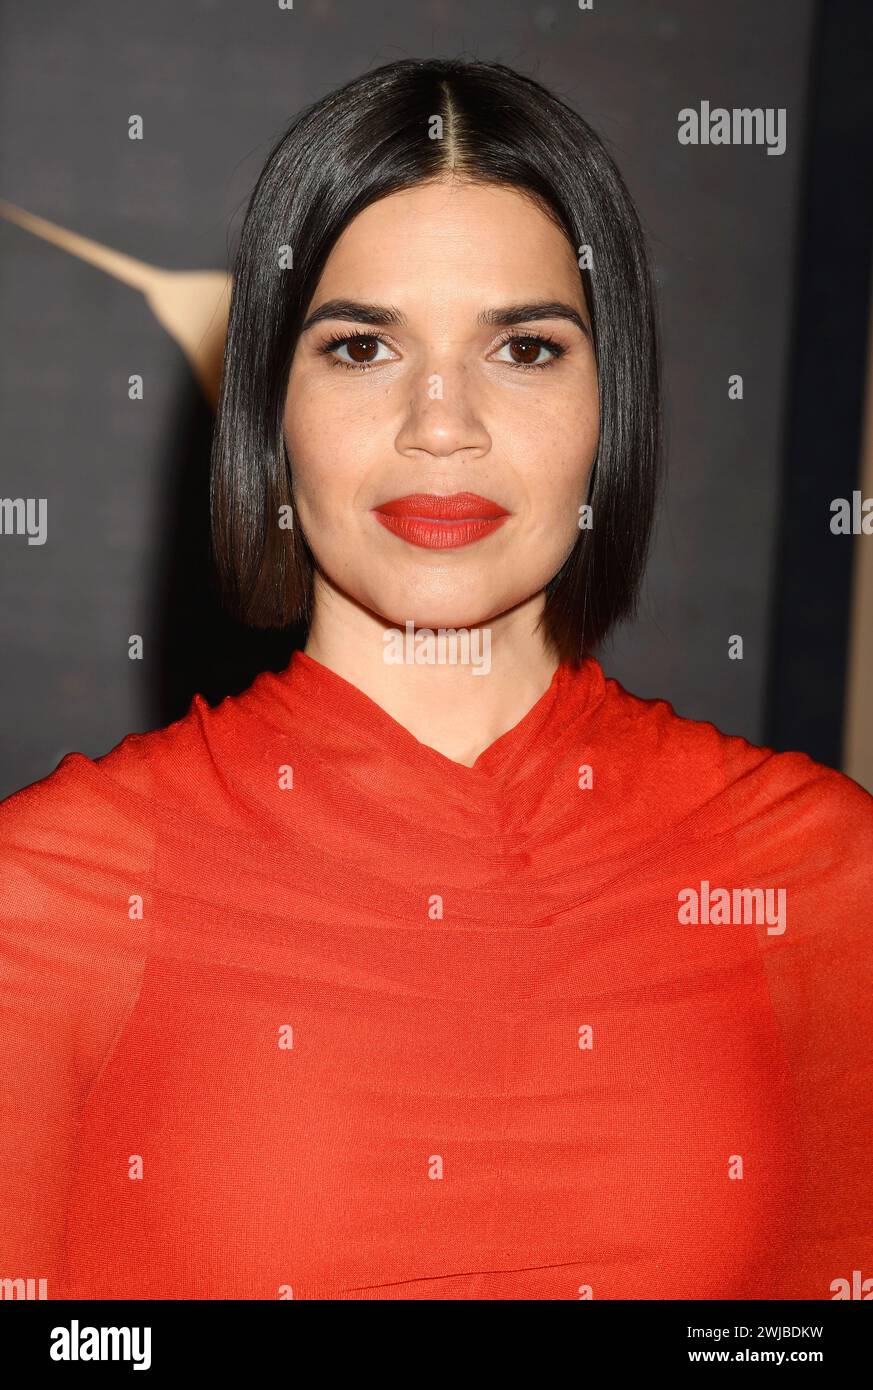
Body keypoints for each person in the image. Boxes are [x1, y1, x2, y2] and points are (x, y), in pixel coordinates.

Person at [1, 57, 870, 1302]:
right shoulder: (43, 900)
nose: (442, 421)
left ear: (608, 409)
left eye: (523, 346)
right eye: (361, 346)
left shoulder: (824, 882)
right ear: (269, 415)